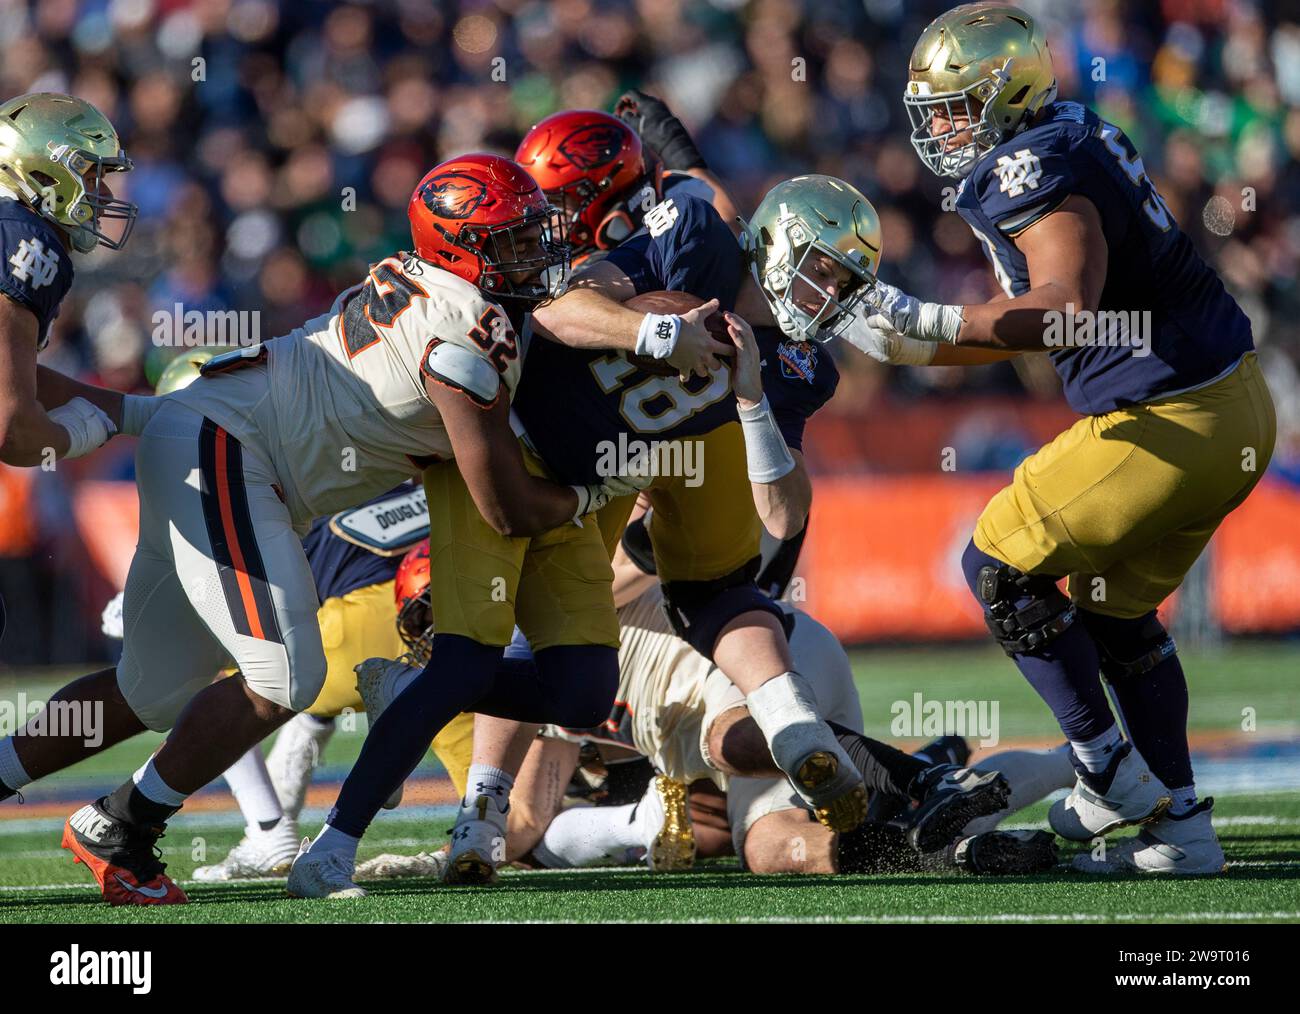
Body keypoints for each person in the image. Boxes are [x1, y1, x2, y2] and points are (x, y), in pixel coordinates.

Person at [848, 2, 1276, 874]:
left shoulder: (1032, 162)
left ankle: (1105, 769)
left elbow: (1064, 308)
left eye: (958, 107)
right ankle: (1182, 830)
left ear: (1009, 95)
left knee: (999, 566)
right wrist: (907, 339)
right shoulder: (1064, 132)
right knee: (1114, 614)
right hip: (1225, 405)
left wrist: (927, 319)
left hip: (1170, 416)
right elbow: (1036, 321)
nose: (943, 129)